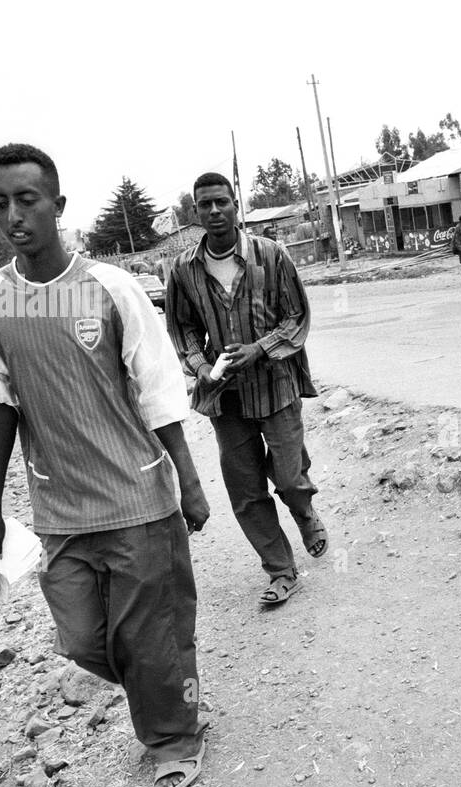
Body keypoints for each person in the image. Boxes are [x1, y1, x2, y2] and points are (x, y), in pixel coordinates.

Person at [0, 143, 210, 787]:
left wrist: (187, 482)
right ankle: (172, 697)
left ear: (58, 205)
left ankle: (174, 739)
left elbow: (158, 391)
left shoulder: (111, 287)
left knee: (148, 631)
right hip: (60, 509)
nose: (14, 215)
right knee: (80, 639)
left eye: (27, 199)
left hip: (137, 496)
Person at [165, 172, 327, 608]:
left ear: (236, 204)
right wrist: (200, 366)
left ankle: (305, 511)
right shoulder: (182, 270)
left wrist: (260, 348)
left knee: (290, 478)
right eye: (205, 205)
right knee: (246, 490)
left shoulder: (270, 255)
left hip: (276, 385)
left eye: (222, 202)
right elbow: (181, 327)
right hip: (227, 397)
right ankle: (280, 570)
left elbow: (296, 317)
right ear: (195, 212)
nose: (214, 211)